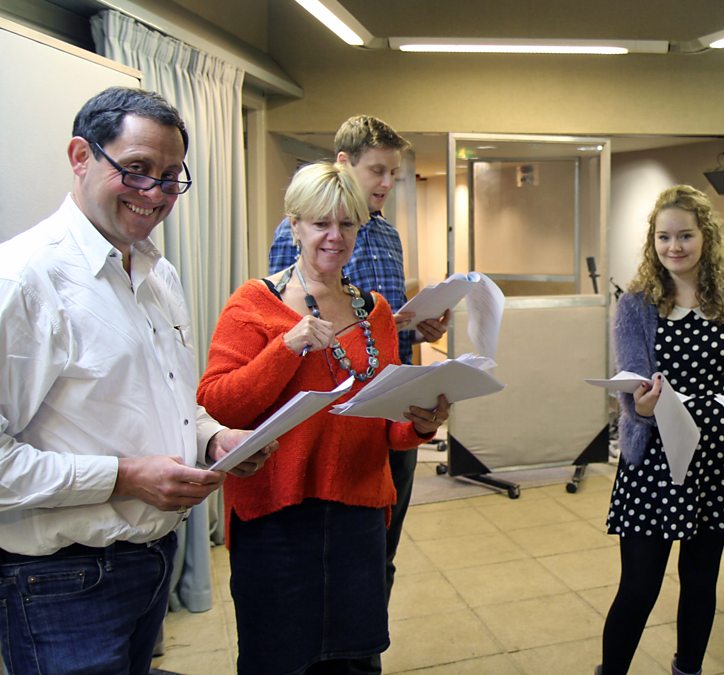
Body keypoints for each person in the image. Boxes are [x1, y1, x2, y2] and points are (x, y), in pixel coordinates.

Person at [0, 86, 273, 675]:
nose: (155, 193)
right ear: (80, 156)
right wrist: (123, 477)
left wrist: (213, 439)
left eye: (172, 176)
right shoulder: (22, 282)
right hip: (61, 579)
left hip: (151, 558)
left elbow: (171, 400)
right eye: (136, 169)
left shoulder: (156, 272)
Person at [198, 161, 450, 674]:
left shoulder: (374, 310)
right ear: (294, 227)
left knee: (355, 661)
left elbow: (387, 426)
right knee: (280, 660)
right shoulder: (254, 304)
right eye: (321, 224)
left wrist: (421, 423)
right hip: (277, 516)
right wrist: (286, 348)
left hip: (358, 516)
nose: (335, 236)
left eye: (347, 224)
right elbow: (218, 401)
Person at [601, 185, 724, 675]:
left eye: (685, 235)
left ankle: (687, 668)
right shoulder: (637, 304)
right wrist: (640, 408)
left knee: (700, 579)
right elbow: (631, 382)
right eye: (664, 237)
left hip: (718, 455)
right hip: (653, 458)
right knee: (639, 585)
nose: (675, 247)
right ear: (653, 241)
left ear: (705, 237)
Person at [267, 115, 447, 605]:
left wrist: (421, 323)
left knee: (382, 543)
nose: (387, 183)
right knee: (331, 547)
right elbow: (286, 321)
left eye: (394, 173)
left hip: (396, 407)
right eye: (377, 171)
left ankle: (367, 639)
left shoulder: (387, 235)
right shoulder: (301, 233)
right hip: (337, 411)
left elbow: (382, 319)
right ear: (344, 164)